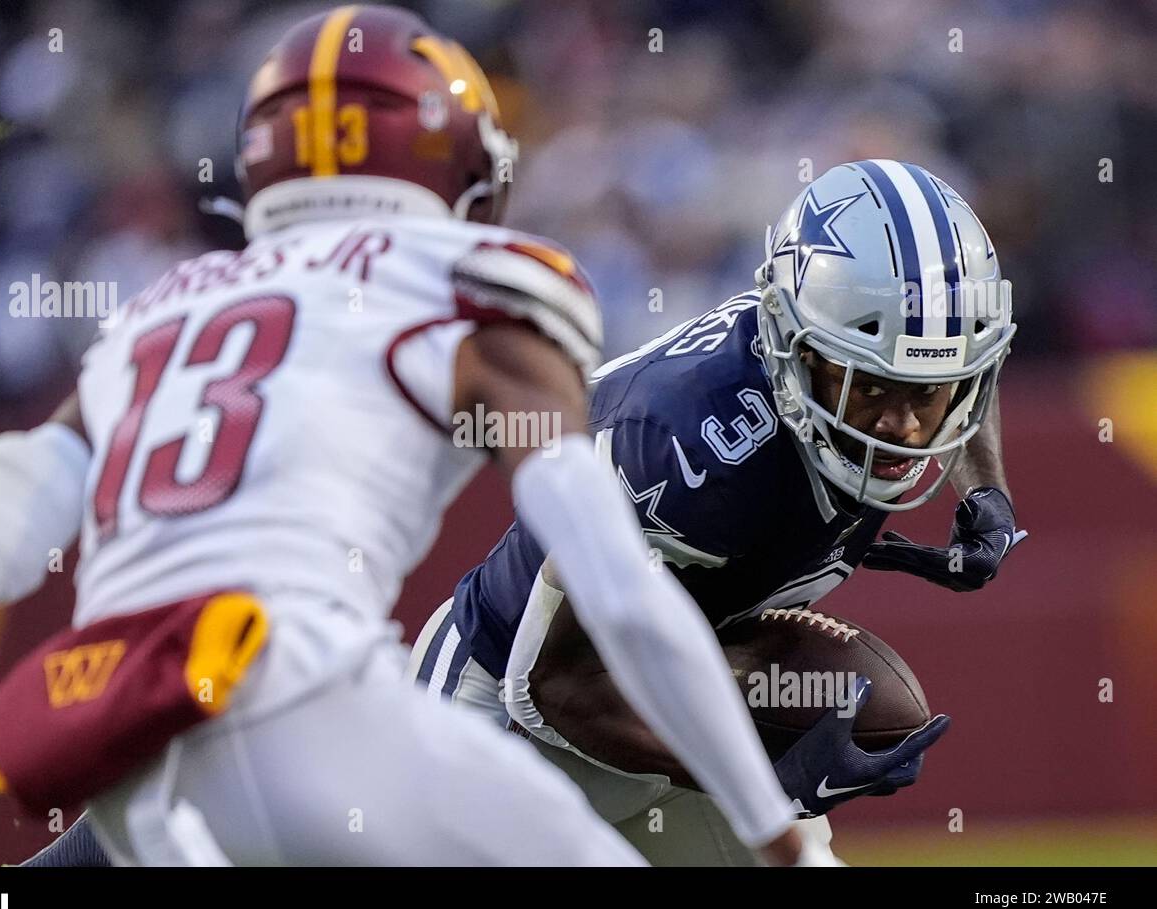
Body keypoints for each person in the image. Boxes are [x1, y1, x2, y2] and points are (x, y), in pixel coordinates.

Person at [0, 5, 833, 867]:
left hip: (128, 745)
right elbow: (613, 584)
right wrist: (778, 835)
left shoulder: (162, 311)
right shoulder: (469, 280)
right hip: (315, 711)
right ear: (448, 157)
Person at [408, 160, 1026, 864]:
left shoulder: (873, 360)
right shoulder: (688, 445)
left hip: (679, 713)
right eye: (873, 387)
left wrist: (987, 493)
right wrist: (766, 788)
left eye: (929, 391)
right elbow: (552, 686)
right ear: (799, 351)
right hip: (508, 724)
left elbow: (963, 369)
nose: (906, 429)